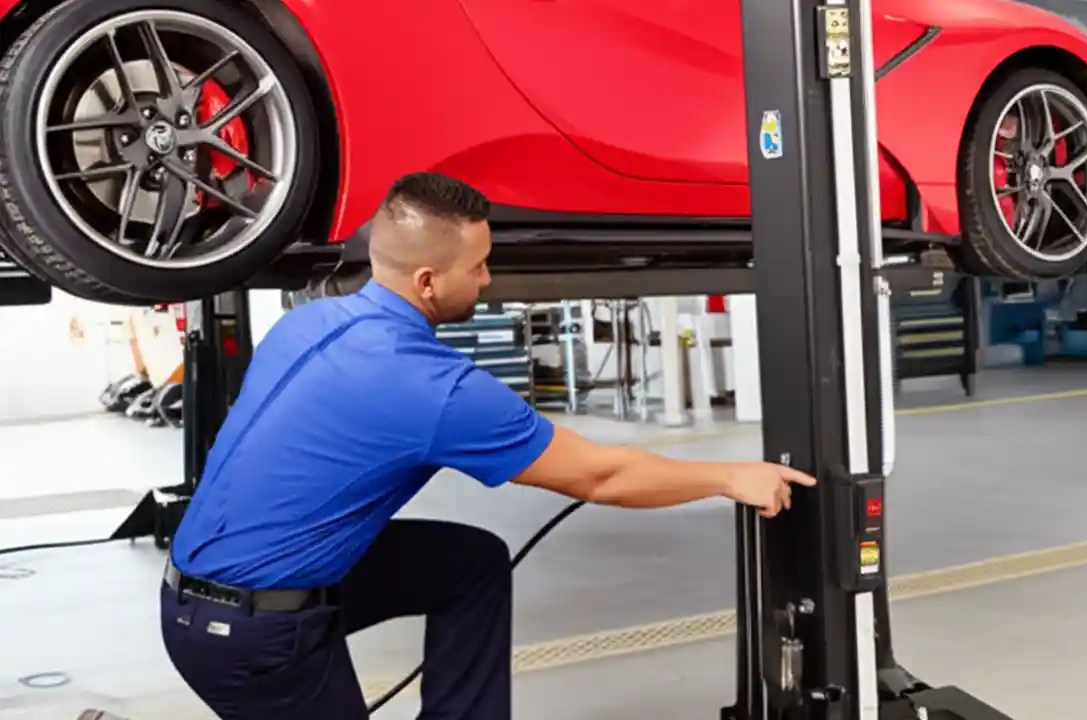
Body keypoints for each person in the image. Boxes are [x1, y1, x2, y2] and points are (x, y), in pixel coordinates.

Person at [159, 171, 816, 719]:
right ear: (425, 282)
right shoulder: (433, 388)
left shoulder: (309, 323)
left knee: (467, 562)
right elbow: (601, 477)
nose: (487, 279)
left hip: (202, 595)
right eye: (477, 267)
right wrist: (730, 477)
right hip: (251, 640)